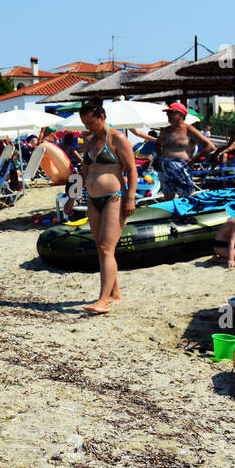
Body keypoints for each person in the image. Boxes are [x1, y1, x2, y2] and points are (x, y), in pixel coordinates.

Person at [77, 100, 138, 315]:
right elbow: (84, 171)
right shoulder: (90, 141)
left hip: (115, 197)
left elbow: (132, 170)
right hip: (93, 199)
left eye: (90, 123)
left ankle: (103, 300)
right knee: (101, 248)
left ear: (101, 116)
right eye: (84, 124)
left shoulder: (118, 139)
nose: (87, 128)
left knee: (105, 247)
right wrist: (71, 197)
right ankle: (115, 293)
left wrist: (130, 198)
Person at [155, 102, 214, 198]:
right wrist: (161, 158)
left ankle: (187, 213)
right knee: (168, 196)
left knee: (186, 196)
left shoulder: (189, 130)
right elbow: (157, 145)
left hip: (181, 166)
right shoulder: (165, 130)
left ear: (180, 115)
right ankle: (172, 212)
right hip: (165, 166)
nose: (168, 115)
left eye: (171, 112)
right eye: (168, 113)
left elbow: (210, 146)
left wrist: (193, 159)